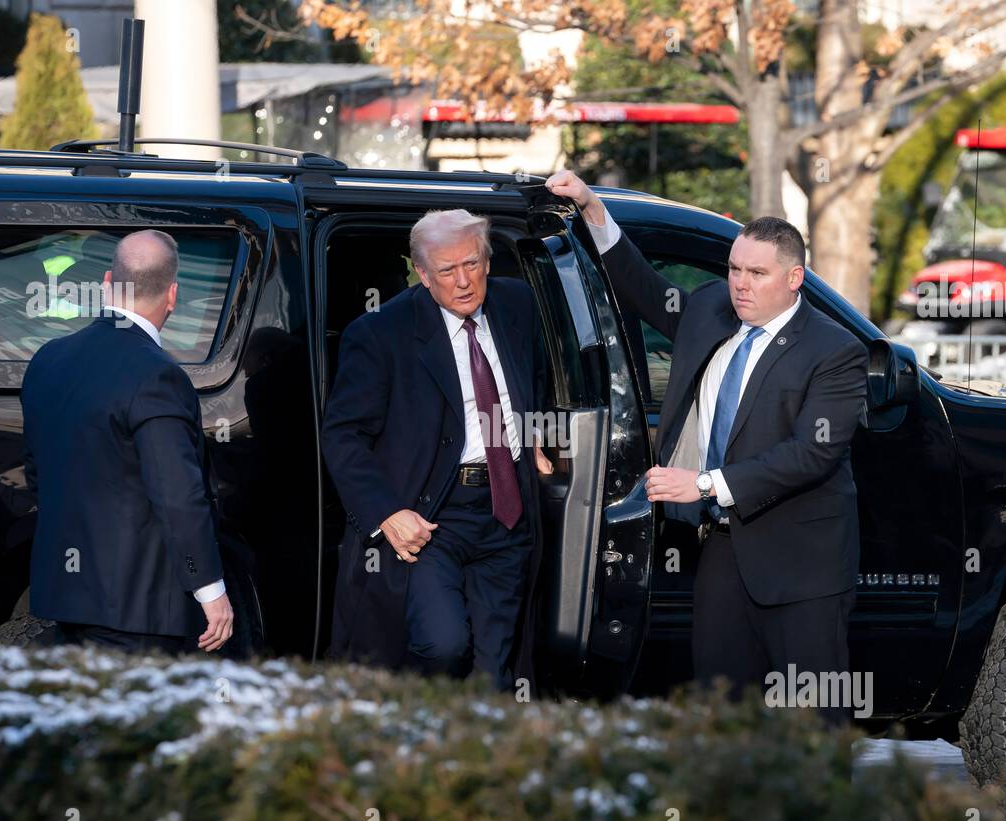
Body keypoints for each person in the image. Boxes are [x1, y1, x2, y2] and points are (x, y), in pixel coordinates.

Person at [547, 172, 868, 720]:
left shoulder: (835, 351)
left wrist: (700, 484)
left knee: (812, 726)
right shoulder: (712, 309)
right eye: (735, 269)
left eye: (757, 274)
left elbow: (812, 454)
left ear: (795, 278)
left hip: (802, 566)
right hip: (720, 552)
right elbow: (645, 289)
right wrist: (593, 208)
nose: (740, 284)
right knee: (723, 715)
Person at [322, 209, 550, 690]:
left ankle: (473, 757)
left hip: (507, 511)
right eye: (447, 271)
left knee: (495, 671)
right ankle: (409, 727)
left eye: (473, 263)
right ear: (422, 274)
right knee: (443, 643)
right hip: (431, 514)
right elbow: (343, 435)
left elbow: (530, 382)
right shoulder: (381, 332)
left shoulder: (518, 304)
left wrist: (531, 441)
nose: (464, 281)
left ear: (488, 260)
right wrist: (386, 511)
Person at [21, 229, 234, 654]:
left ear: (105, 283)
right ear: (172, 295)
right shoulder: (157, 374)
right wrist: (210, 590)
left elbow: (38, 474)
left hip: (65, 598)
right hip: (139, 608)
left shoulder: (48, 359)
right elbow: (177, 495)